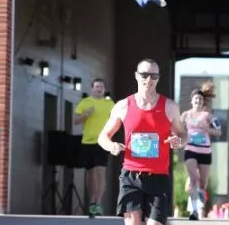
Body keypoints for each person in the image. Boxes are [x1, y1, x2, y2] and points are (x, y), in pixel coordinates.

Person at [98, 58, 186, 225]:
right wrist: (112, 146)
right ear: (137, 76)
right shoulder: (123, 106)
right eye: (145, 75)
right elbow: (103, 136)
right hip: (131, 176)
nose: (149, 80)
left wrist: (179, 141)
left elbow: (183, 134)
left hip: (158, 176)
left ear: (158, 78)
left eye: (154, 76)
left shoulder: (170, 106)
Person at [74, 78, 114, 217]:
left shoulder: (110, 104)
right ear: (92, 88)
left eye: (101, 87)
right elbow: (75, 121)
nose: (99, 89)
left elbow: (119, 120)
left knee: (100, 172)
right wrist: (86, 114)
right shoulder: (85, 103)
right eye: (96, 86)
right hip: (87, 143)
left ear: (104, 89)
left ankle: (98, 204)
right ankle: (92, 203)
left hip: (103, 142)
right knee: (91, 174)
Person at [181, 88, 222, 220]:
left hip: (205, 151)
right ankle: (194, 211)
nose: (198, 101)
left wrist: (206, 128)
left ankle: (199, 195)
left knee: (202, 183)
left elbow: (219, 132)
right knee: (194, 179)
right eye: (196, 99)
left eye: (200, 99)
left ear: (203, 101)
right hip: (190, 149)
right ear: (191, 101)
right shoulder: (185, 115)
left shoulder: (208, 116)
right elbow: (178, 130)